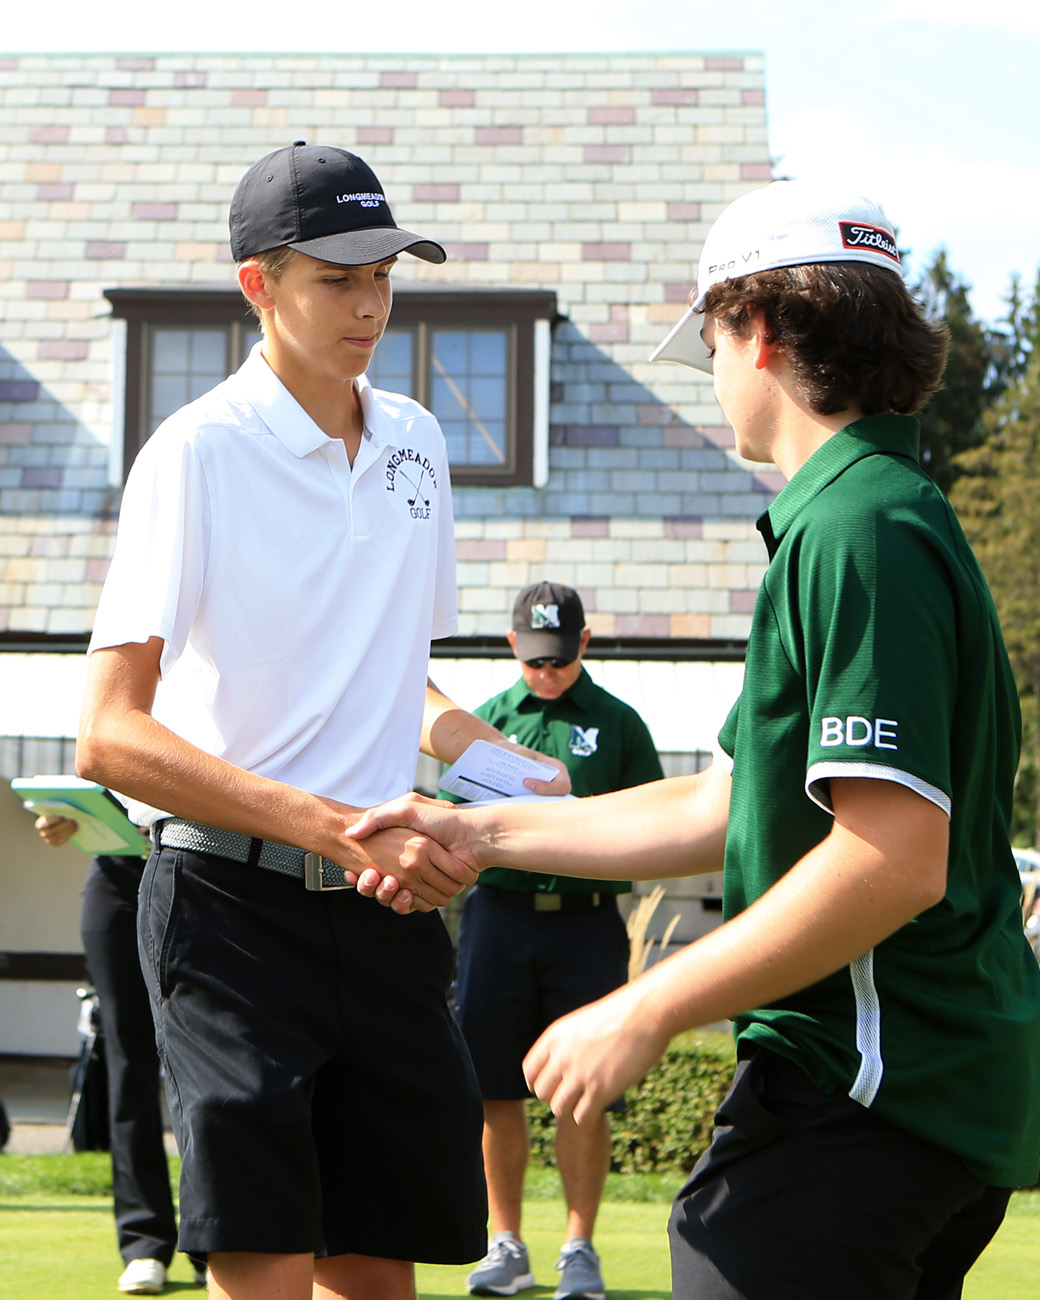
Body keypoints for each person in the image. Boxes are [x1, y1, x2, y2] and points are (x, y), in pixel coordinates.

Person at [347, 180, 1040, 1300]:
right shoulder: (861, 513)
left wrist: (647, 1002)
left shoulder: (857, 529)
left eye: (709, 341)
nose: (710, 372)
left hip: (867, 1086)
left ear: (757, 332)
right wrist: (472, 829)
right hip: (906, 1090)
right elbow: (716, 808)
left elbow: (893, 856)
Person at [75, 141, 568, 1300]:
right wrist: (344, 827)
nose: (370, 304)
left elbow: (405, 684)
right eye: (335, 278)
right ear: (259, 285)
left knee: (380, 1276)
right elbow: (107, 732)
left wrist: (506, 771)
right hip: (228, 915)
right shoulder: (192, 454)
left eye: (384, 274)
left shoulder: (418, 441)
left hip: (385, 911)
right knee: (268, 1270)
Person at [457, 581, 664, 1300]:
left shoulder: (621, 723)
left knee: (583, 1093)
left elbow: (654, 823)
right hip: (499, 919)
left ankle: (580, 1248)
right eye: (534, 660)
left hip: (586, 924)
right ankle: (505, 1244)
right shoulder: (482, 723)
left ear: (583, 643)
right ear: (514, 645)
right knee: (495, 1089)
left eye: (559, 659)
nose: (546, 674)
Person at [34, 814, 202, 1295]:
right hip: (116, 881)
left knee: (204, 1067)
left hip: (200, 880)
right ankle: (144, 1244)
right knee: (127, 1063)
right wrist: (64, 821)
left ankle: (213, 1237)